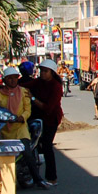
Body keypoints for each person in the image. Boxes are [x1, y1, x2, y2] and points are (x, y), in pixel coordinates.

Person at [0, 66, 45, 189]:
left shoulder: (24, 92)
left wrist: (22, 117)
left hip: (20, 128)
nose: (12, 81)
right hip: (4, 128)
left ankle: (38, 179)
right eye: (9, 78)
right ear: (4, 80)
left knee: (27, 152)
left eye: (14, 78)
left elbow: (27, 110)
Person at [21, 58, 63, 186]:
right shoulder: (38, 82)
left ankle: (52, 178)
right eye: (41, 71)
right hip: (37, 117)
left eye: (45, 71)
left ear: (52, 73)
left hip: (51, 119)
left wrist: (32, 98)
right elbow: (24, 87)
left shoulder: (56, 87)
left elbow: (48, 108)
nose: (42, 73)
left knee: (47, 146)